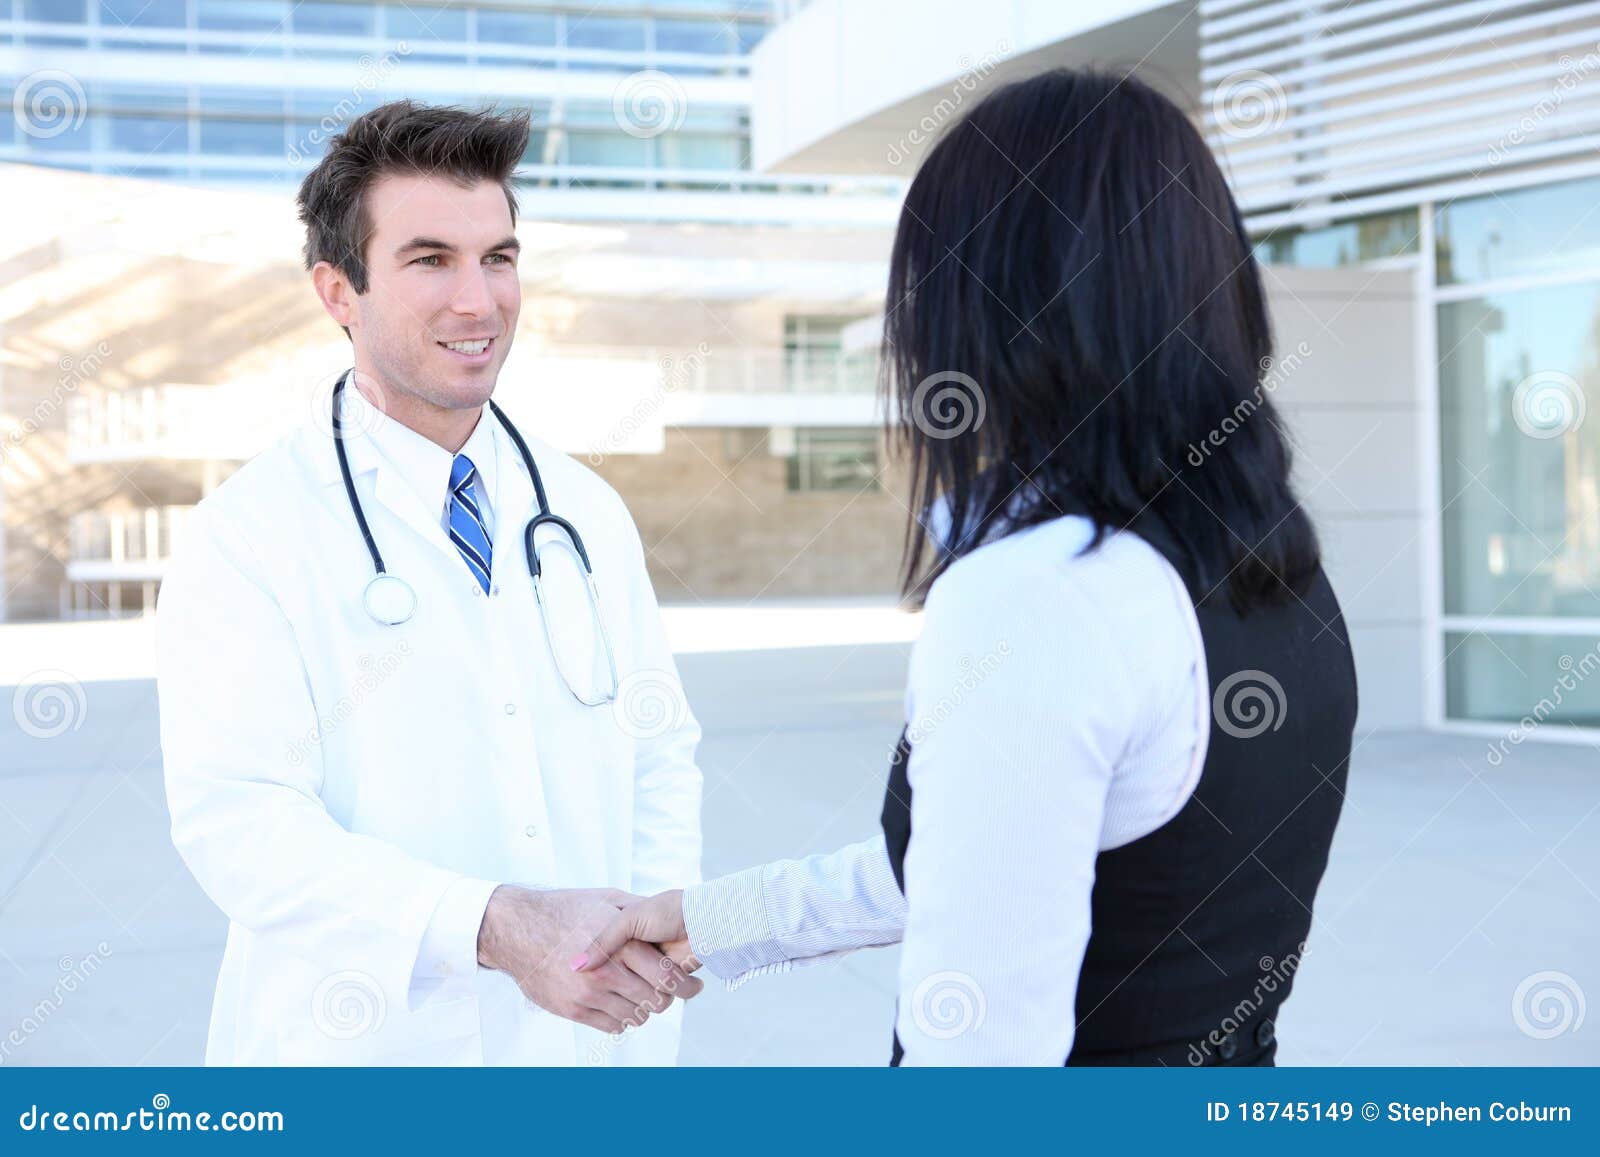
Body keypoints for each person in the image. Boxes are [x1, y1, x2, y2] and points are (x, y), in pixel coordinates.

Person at [576, 69, 1360, 1066]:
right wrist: (711, 917)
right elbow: (999, 861)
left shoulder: (1041, 595)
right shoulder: (1279, 572)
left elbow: (980, 1051)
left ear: (993, 310)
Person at [156, 101, 703, 1066]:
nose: (479, 300)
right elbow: (240, 822)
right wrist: (488, 925)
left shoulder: (583, 513)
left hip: (588, 1051)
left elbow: (659, 752)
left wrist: (651, 933)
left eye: (499, 257)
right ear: (339, 291)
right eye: (429, 260)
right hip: (367, 1052)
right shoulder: (250, 534)